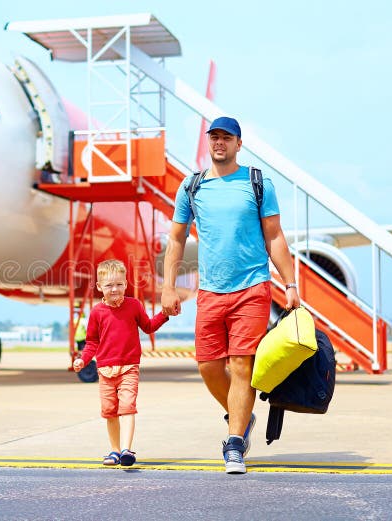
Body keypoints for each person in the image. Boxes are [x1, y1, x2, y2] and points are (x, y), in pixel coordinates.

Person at [161, 116, 300, 474]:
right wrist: (168, 286)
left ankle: (234, 443)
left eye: (227, 137)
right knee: (208, 366)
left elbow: (275, 237)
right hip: (209, 291)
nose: (219, 143)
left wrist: (290, 283)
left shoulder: (257, 183)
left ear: (239, 144)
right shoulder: (191, 187)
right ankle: (242, 416)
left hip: (252, 288)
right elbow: (176, 239)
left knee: (241, 366)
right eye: (214, 137)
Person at [73, 259, 169, 467]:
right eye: (109, 285)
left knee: (127, 407)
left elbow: (148, 326)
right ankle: (115, 450)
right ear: (99, 287)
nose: (114, 289)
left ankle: (126, 449)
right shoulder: (97, 313)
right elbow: (92, 342)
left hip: (129, 368)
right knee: (109, 411)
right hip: (105, 370)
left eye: (119, 284)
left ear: (126, 284)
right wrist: (83, 359)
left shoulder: (134, 305)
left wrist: (165, 314)